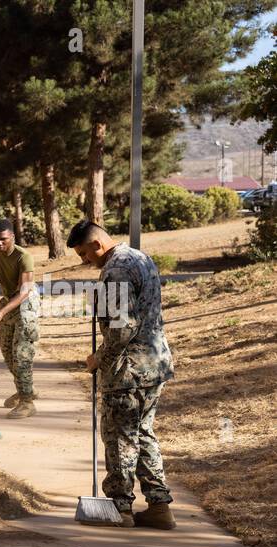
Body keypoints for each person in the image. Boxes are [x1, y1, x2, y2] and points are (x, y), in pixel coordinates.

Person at [66, 219, 176, 529]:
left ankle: (119, 507)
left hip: (128, 370)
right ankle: (159, 506)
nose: (85, 261)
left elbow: (121, 329)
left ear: (97, 245)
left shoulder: (115, 271)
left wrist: (97, 359)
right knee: (142, 433)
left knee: (118, 437)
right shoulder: (139, 257)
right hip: (154, 363)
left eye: (84, 254)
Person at [0, 219, 41, 419]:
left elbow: (24, 292)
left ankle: (27, 402)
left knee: (21, 355)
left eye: (3, 240)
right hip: (8, 301)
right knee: (8, 353)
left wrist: (2, 311)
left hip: (26, 305)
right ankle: (26, 389)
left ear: (12, 238)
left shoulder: (24, 257)